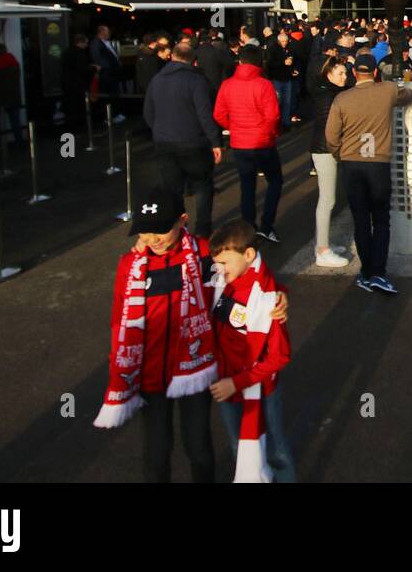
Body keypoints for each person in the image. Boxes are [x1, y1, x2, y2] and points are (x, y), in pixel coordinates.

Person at [94, 186, 289, 482]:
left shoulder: (203, 252)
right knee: (157, 453)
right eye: (145, 232)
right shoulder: (130, 266)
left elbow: (245, 274)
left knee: (198, 447)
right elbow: (118, 321)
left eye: (160, 230)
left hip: (196, 368)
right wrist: (118, 368)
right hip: (150, 375)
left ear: (182, 220)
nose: (152, 239)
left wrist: (279, 294)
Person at [325, 54, 412, 294]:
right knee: (380, 219)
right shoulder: (387, 90)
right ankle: (378, 272)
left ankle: (366, 271)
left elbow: (330, 136)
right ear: (375, 73)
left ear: (355, 74)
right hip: (378, 164)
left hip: (351, 164)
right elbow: (409, 95)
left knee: (360, 220)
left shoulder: (342, 98)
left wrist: (340, 155)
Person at [209, 218, 294, 483]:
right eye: (217, 263)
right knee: (241, 449)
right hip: (228, 384)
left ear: (248, 255)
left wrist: (236, 383)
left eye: (224, 263)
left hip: (257, 388)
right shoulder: (224, 279)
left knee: (275, 450)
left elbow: (280, 356)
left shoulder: (266, 298)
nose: (218, 269)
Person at [144, 42, 223, 237]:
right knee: (203, 186)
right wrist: (215, 141)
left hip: (164, 142)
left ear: (172, 56)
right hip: (193, 142)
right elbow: (205, 114)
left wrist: (159, 130)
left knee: (172, 189)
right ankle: (203, 230)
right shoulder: (196, 81)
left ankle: (178, 229)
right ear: (192, 60)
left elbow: (148, 112)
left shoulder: (157, 79)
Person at [213, 44, 283, 243]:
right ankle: (267, 225)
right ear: (260, 61)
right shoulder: (264, 84)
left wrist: (233, 127)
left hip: (240, 142)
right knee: (275, 181)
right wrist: (269, 133)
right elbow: (273, 116)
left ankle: (248, 225)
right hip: (262, 141)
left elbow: (218, 114)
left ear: (240, 60)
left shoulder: (227, 84)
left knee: (247, 184)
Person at [308, 58, 351, 267]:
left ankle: (324, 244)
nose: (345, 77)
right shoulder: (329, 96)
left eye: (345, 73)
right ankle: (322, 250)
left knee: (328, 200)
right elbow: (329, 126)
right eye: (341, 73)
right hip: (326, 149)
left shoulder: (326, 91)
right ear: (329, 74)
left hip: (325, 148)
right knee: (327, 200)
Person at [89, 24, 125, 123]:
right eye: (107, 31)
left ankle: (115, 114)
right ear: (101, 32)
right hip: (107, 74)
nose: (109, 33)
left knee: (114, 94)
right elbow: (98, 58)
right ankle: (111, 116)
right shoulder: (96, 43)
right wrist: (108, 68)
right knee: (110, 95)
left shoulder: (105, 43)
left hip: (111, 73)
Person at [264, 31, 297, 135]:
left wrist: (293, 69)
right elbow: (270, 63)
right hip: (277, 78)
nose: (284, 43)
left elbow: (292, 61)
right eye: (282, 41)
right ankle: (277, 124)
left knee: (287, 102)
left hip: (287, 78)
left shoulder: (289, 48)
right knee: (278, 102)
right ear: (278, 41)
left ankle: (286, 123)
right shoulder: (273, 49)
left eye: (286, 41)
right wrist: (283, 62)